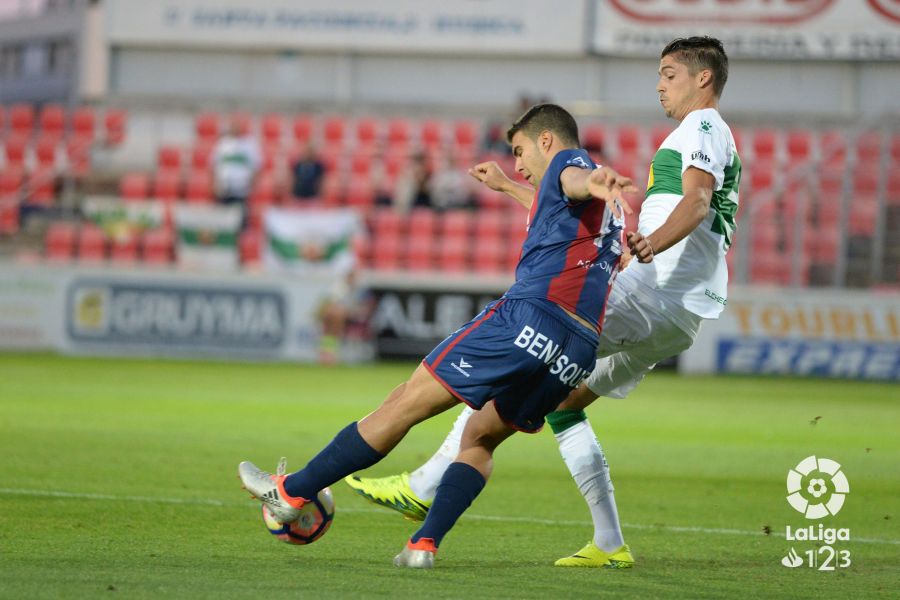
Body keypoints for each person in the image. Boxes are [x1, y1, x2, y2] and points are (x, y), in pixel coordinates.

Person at [344, 36, 741, 569]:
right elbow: (571, 210)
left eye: (669, 74)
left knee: (513, 353)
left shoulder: (703, 127)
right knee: (563, 404)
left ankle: (423, 482)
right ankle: (609, 543)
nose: (659, 84)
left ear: (703, 79)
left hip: (652, 289)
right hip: (680, 313)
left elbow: (695, 201)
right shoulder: (700, 134)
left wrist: (652, 243)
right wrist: (511, 188)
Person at [238, 103, 635, 569]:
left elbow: (575, 180)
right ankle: (423, 545)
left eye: (520, 152)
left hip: (530, 317)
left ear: (546, 140)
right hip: (576, 350)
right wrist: (508, 187)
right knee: (479, 438)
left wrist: (595, 178)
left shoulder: (574, 164)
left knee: (406, 401)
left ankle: (291, 491)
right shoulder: (594, 211)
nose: (519, 164)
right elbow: (558, 212)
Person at [212, 121, 261, 209]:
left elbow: (256, 167)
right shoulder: (223, 144)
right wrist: (215, 185)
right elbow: (213, 165)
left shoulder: (249, 145)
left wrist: (251, 185)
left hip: (242, 190)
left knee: (240, 217)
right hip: (224, 189)